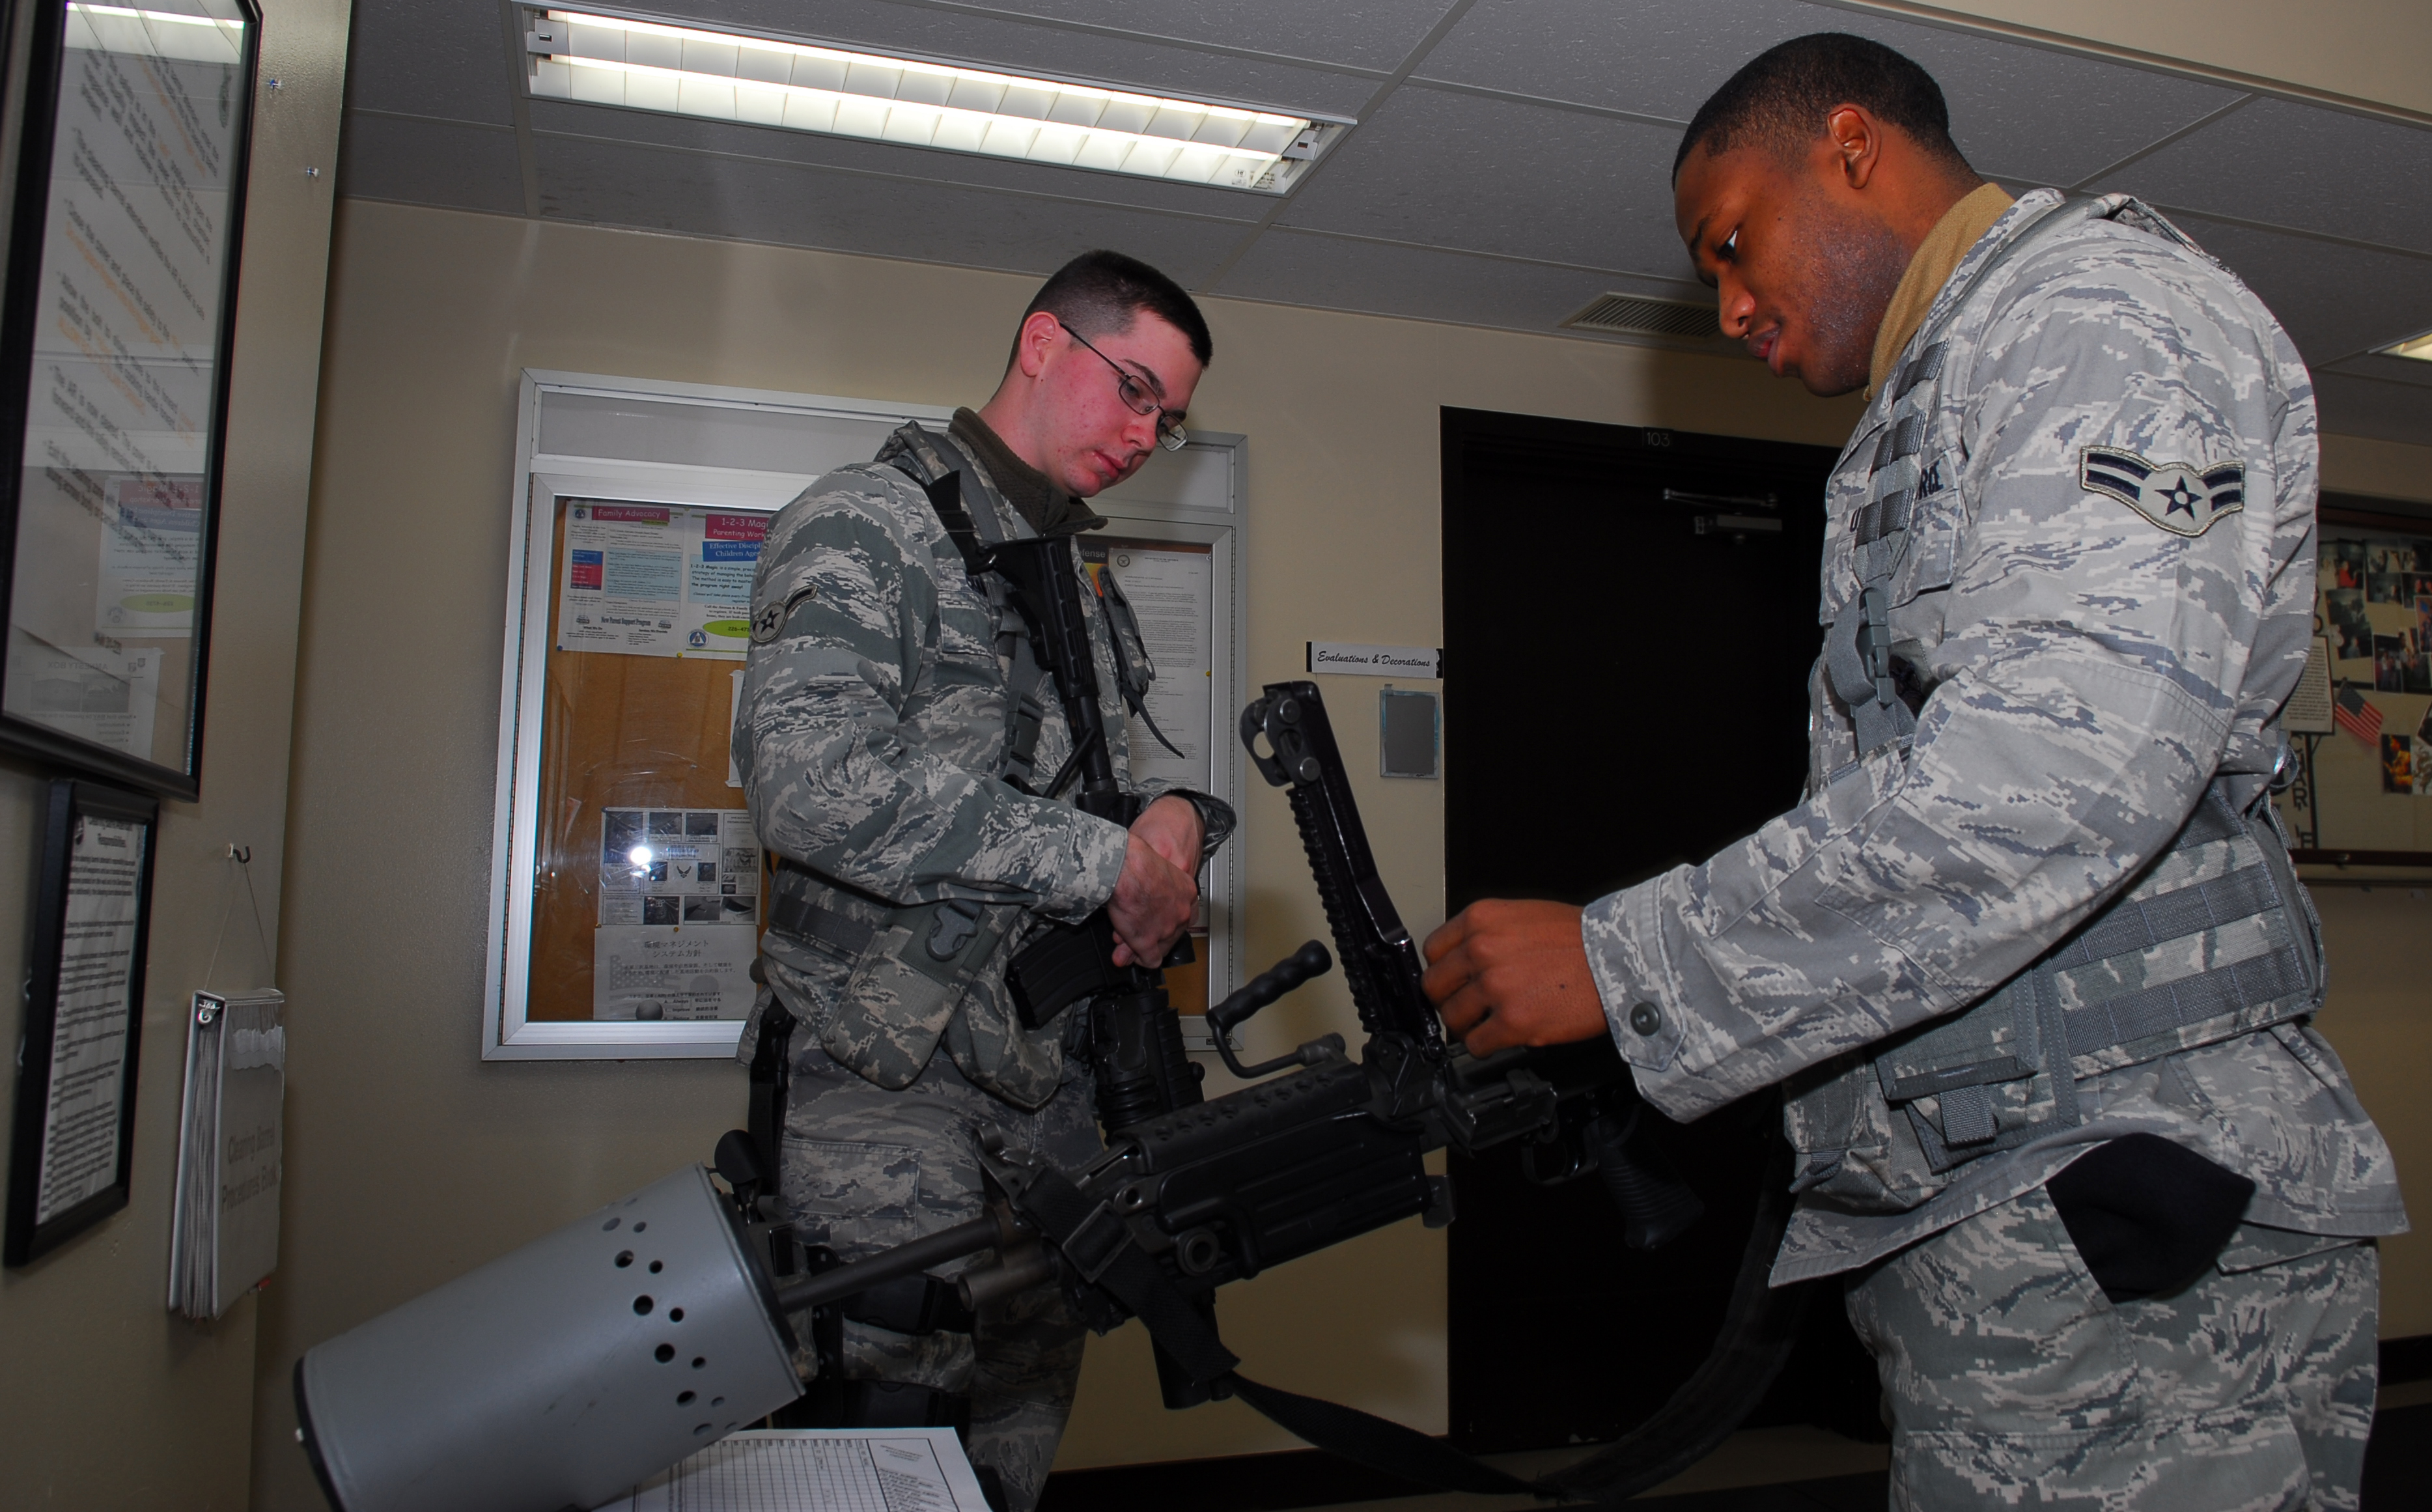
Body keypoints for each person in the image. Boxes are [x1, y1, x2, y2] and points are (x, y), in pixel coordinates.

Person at [1420, 33, 2403, 1510]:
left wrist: (1631, 957)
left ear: (1851, 146)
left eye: (1732, 244)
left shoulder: (2087, 319)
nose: (1731, 307)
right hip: (2026, 1204)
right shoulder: (1948, 383)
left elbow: (2061, 766)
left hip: (2126, 1215)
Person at [732, 250, 1235, 1512]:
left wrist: (1167, 821)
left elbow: (1070, 803)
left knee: (1006, 1452)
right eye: (1131, 390)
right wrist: (1099, 858)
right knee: (871, 1454)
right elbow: (807, 776)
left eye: (1166, 419)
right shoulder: (873, 524)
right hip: (882, 1084)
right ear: (1039, 344)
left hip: (1035, 1085)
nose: (1143, 434)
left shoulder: (1070, 572)